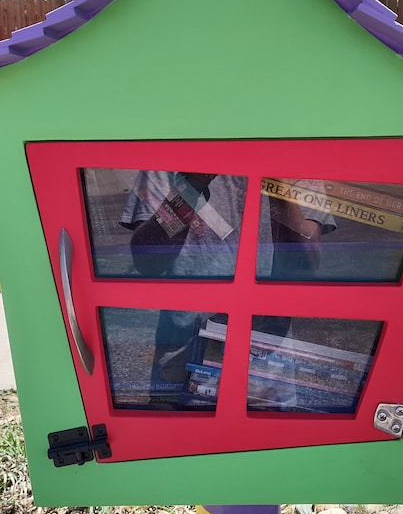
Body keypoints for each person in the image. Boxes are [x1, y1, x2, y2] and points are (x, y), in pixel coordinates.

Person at [118, 171, 334, 408]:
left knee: (268, 440)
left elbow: (305, 264)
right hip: (181, 357)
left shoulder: (294, 167)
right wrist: (192, 185)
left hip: (263, 356)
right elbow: (148, 262)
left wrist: (276, 184)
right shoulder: (167, 166)